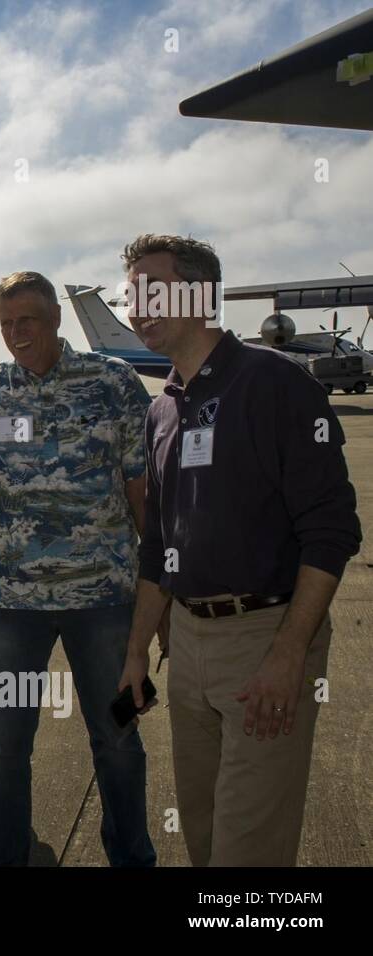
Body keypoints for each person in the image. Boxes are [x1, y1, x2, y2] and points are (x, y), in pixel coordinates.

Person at [116, 234, 361, 866]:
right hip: (189, 644)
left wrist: (289, 654)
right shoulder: (162, 408)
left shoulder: (276, 384)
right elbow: (159, 544)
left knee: (247, 851)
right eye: (130, 292)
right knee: (204, 831)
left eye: (152, 289)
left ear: (200, 294)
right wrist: (138, 649)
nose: (134, 304)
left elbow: (332, 531)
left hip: (265, 638)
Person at [0, 272, 157, 866]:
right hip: (13, 603)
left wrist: (158, 592)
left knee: (118, 740)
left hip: (104, 598)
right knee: (3, 749)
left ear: (56, 317)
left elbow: (139, 487)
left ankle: (132, 859)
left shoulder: (113, 382)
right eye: (5, 323)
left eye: (27, 319)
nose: (15, 333)